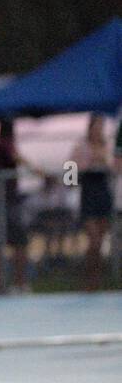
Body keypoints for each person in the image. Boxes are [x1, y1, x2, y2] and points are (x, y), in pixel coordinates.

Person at [0, 118, 41, 294]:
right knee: (15, 243)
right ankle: (14, 284)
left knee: (1, 245)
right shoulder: (4, 151)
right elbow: (24, 163)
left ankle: (5, 285)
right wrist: (42, 173)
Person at [71, 114, 117, 291]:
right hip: (88, 195)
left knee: (102, 241)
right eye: (96, 126)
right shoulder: (80, 146)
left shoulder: (107, 146)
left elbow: (115, 170)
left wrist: (105, 161)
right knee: (94, 240)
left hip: (103, 196)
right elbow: (70, 176)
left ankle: (98, 280)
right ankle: (88, 278)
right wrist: (86, 165)